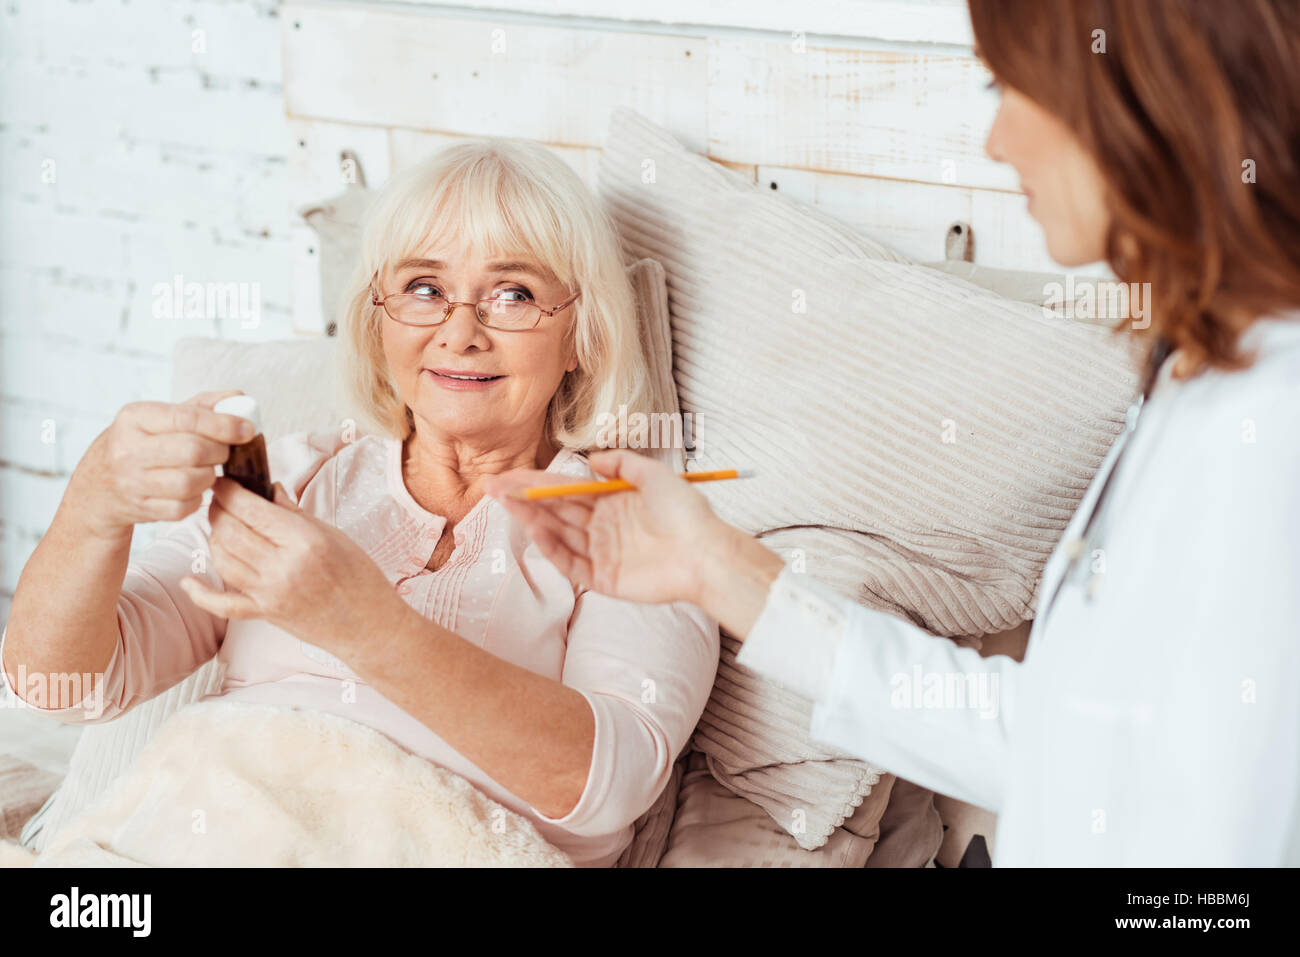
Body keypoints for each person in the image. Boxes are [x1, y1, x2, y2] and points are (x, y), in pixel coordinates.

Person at [487, 0, 1300, 865]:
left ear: (1147, 93)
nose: (998, 140)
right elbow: (1057, 739)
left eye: (1014, 88)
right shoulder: (1205, 374)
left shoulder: (1269, 427)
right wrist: (712, 564)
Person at [1, 139, 719, 868]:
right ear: (377, 318)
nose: (461, 332)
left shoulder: (638, 526)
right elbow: (59, 687)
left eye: (514, 295)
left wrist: (363, 623)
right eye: (423, 288)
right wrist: (94, 508)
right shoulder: (298, 477)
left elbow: (609, 780)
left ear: (580, 336)